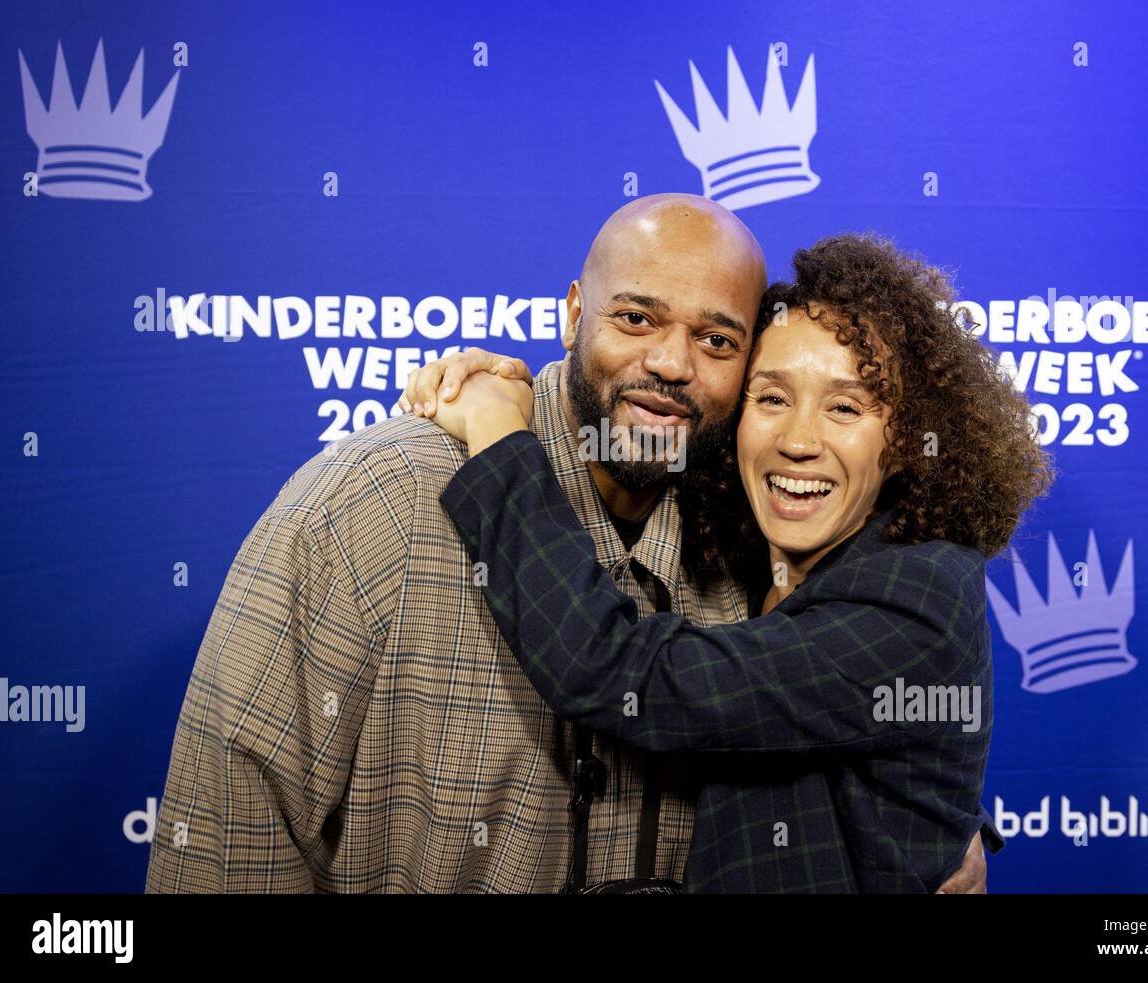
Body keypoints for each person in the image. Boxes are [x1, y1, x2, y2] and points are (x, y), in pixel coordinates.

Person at [146, 195, 990, 892]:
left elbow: (807, 698)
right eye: (636, 316)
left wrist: (943, 828)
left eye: (717, 340)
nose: (670, 362)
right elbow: (228, 832)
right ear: (574, 312)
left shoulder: (761, 524)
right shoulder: (378, 501)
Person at [406, 232, 1052, 891]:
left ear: (909, 437)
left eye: (845, 406)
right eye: (771, 398)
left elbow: (617, 671)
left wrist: (497, 435)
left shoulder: (917, 590)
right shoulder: (752, 533)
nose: (798, 440)